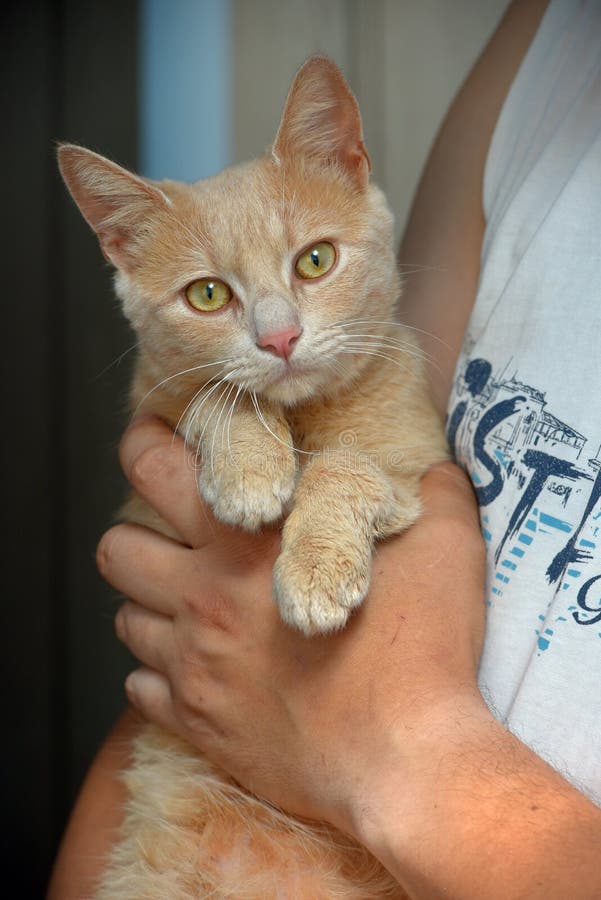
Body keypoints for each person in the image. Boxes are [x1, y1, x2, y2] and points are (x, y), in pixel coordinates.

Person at [48, 0, 601, 897]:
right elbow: (194, 637)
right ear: (120, 251)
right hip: (184, 836)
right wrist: (223, 421)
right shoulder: (552, 37)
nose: (277, 333)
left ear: (352, 170)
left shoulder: (381, 368)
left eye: (312, 262)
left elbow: (414, 480)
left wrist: (340, 488)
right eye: (207, 295)